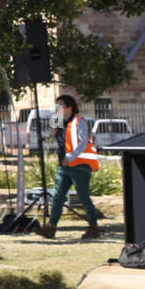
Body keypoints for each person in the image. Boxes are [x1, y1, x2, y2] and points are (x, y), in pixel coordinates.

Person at [38, 95, 101, 240]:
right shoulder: (60, 123)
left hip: (79, 165)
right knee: (58, 196)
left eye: (60, 106)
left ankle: (94, 227)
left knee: (84, 197)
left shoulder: (80, 122)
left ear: (69, 107)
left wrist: (70, 157)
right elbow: (54, 136)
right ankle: (51, 227)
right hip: (64, 166)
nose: (57, 109)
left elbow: (83, 142)